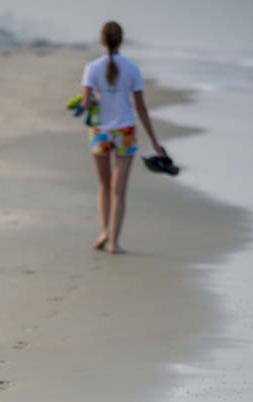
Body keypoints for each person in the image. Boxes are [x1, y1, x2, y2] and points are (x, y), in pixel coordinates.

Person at [81, 21, 165, 254]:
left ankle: (104, 231)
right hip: (125, 131)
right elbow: (141, 108)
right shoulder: (132, 69)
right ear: (121, 40)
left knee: (104, 186)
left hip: (99, 131)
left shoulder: (91, 67)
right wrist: (155, 142)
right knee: (119, 190)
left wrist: (90, 101)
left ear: (102, 40)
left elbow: (86, 104)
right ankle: (113, 243)